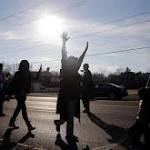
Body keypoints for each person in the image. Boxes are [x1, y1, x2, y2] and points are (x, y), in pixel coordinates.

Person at [54, 33, 88, 144]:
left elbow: (81, 59)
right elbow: (63, 54)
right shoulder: (66, 68)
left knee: (68, 117)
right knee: (69, 117)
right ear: (70, 62)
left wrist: (85, 50)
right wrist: (63, 42)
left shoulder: (75, 69)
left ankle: (60, 125)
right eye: (74, 60)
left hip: (73, 96)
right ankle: (69, 136)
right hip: (66, 96)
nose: (76, 61)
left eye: (76, 61)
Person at [9, 60, 41, 131]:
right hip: (20, 94)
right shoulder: (23, 73)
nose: (26, 66)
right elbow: (13, 84)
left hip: (22, 94)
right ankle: (28, 126)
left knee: (19, 108)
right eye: (26, 64)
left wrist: (39, 72)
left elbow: (34, 79)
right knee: (23, 110)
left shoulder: (21, 73)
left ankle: (12, 121)